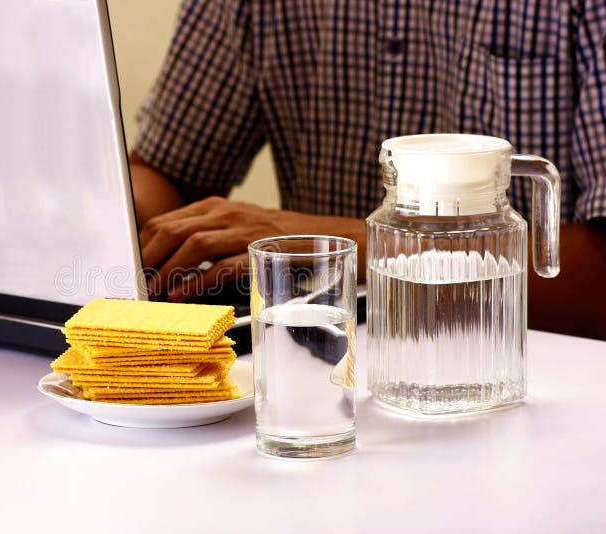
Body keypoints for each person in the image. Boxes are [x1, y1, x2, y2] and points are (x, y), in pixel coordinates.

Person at [129, 0, 606, 339]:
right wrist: (93, 207)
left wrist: (352, 245)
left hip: (518, 373)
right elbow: (171, 171)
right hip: (310, 356)